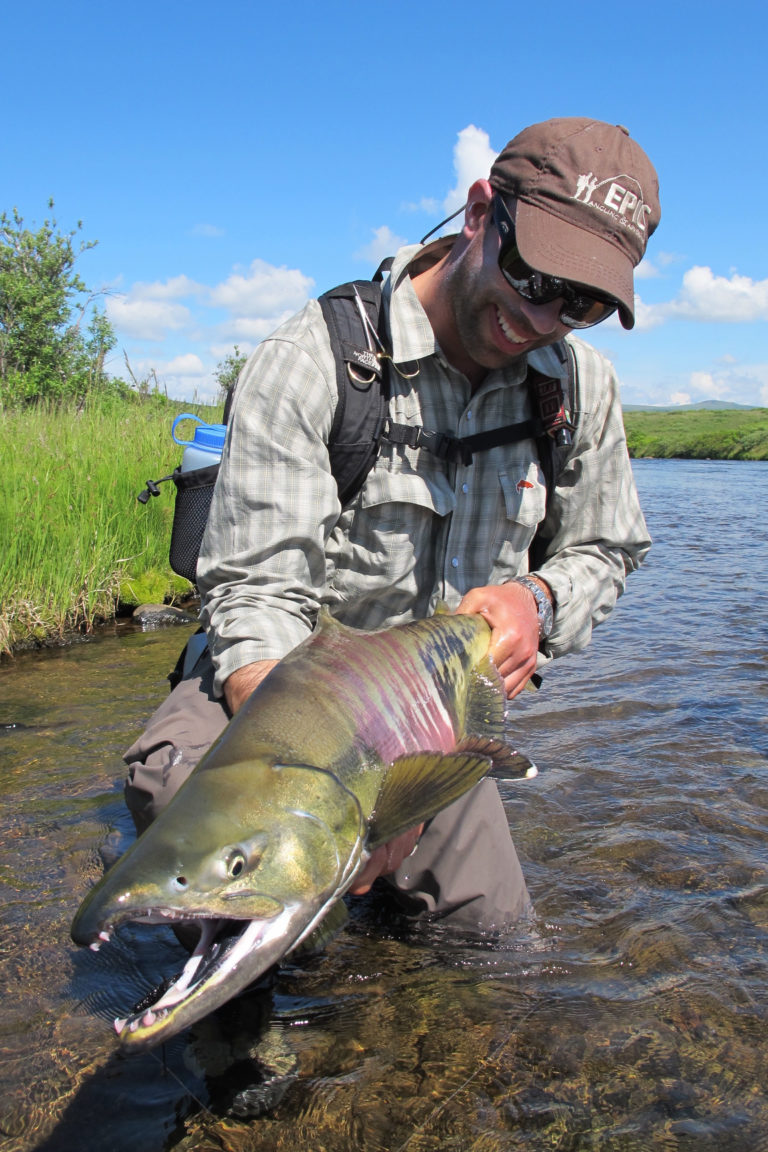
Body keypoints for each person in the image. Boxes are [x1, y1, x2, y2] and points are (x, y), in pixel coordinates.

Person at [124, 117, 659, 932]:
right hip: (285, 688)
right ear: (480, 212)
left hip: (432, 716)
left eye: (580, 303)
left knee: (492, 943)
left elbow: (608, 546)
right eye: (532, 274)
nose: (544, 316)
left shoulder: (579, 392)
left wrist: (537, 603)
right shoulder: (313, 360)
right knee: (191, 832)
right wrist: (345, 808)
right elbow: (258, 601)